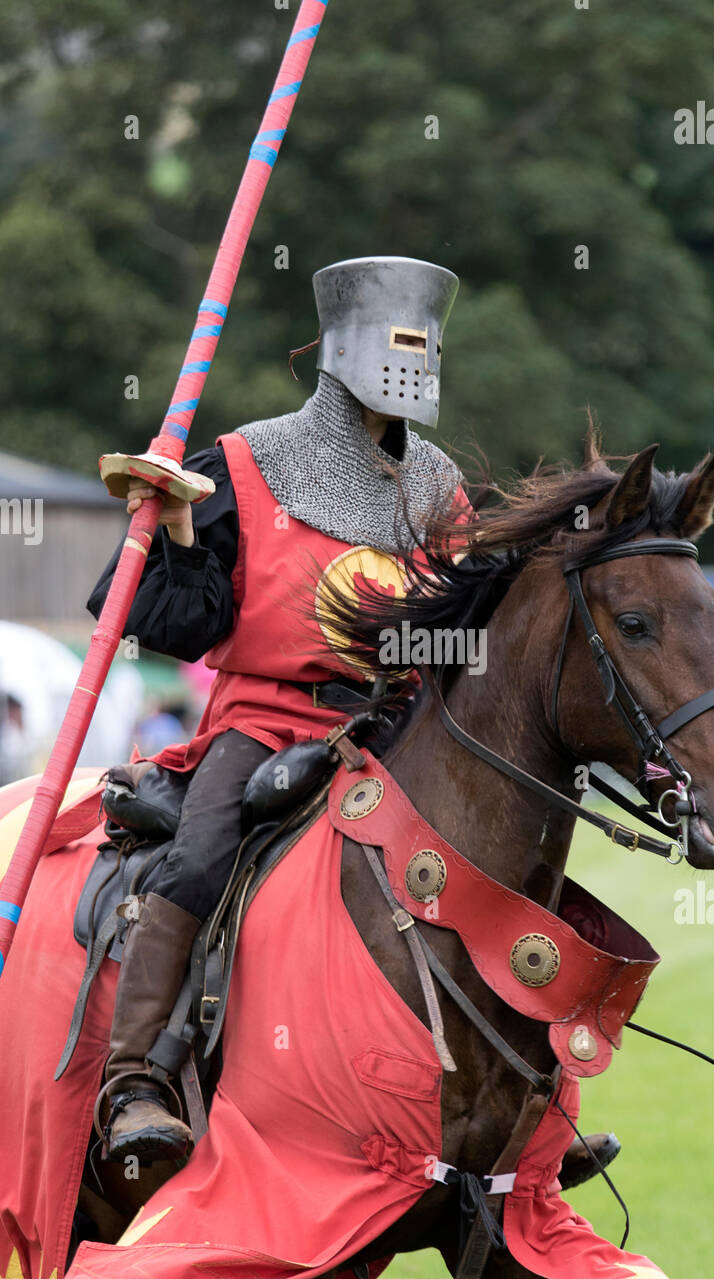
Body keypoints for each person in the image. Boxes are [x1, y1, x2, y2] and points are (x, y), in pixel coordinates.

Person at [87, 256, 469, 1162]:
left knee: (491, 866)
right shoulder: (253, 462)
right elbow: (181, 623)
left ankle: (515, 1116)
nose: (412, 366)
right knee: (202, 856)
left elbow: (464, 636)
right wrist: (178, 533)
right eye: (397, 343)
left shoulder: (442, 489)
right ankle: (134, 1080)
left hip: (393, 731)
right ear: (345, 349)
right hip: (265, 723)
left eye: (427, 345)